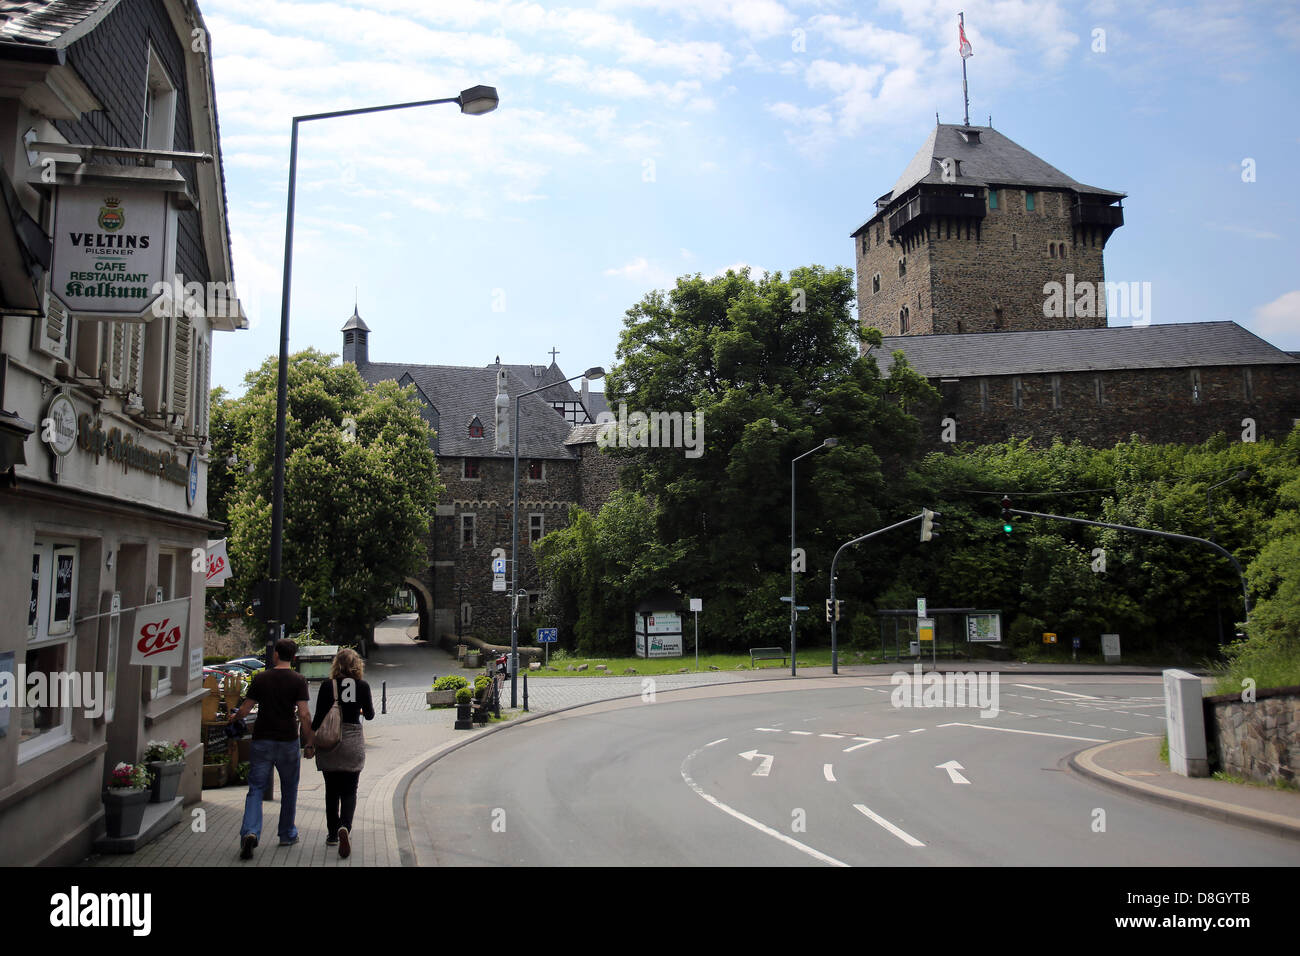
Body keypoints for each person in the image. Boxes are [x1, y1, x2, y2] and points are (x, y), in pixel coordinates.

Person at [228, 637, 315, 860]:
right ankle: (286, 833)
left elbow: (246, 709)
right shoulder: (298, 680)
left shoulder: (261, 678)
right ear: (293, 657)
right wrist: (309, 741)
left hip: (262, 740)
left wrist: (234, 717)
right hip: (287, 741)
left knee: (255, 788)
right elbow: (304, 713)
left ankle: (250, 832)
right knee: (289, 789)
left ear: (276, 654)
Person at [311, 647, 374, 859]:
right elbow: (371, 715)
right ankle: (345, 826)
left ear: (336, 665)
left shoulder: (328, 686)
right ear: (357, 665)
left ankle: (331, 834)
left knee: (331, 790)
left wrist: (310, 742)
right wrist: (359, 709)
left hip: (330, 742)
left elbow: (319, 717)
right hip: (352, 741)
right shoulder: (363, 686)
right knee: (350, 789)